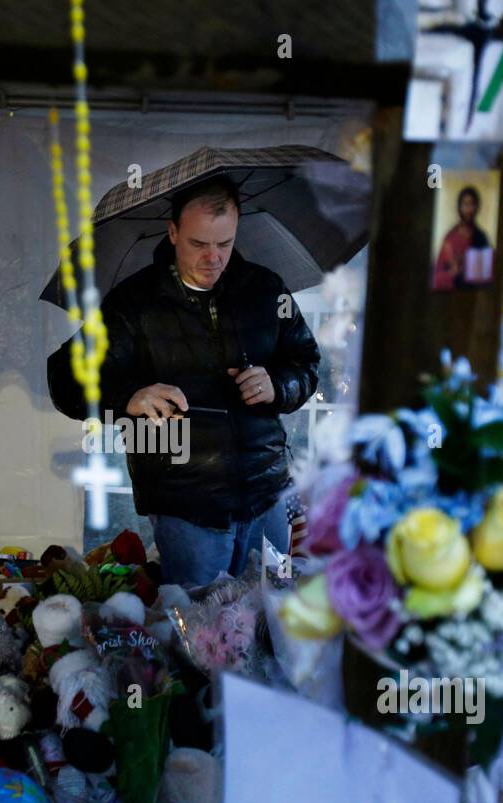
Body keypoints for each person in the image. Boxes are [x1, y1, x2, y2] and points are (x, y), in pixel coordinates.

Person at [47, 175, 321, 586]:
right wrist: (130, 398)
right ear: (173, 232)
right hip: (185, 504)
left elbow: (307, 362)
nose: (213, 258)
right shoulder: (132, 303)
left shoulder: (266, 290)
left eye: (224, 243)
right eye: (199, 244)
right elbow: (65, 381)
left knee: (272, 628)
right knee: (198, 638)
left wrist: (278, 385)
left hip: (266, 494)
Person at [431, 185, 493, 291]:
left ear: (476, 207)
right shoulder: (450, 236)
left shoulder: (480, 238)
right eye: (465, 204)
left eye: (472, 204)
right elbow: (436, 273)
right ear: (459, 207)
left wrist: (462, 270)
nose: (468, 209)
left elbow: (483, 280)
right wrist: (451, 273)